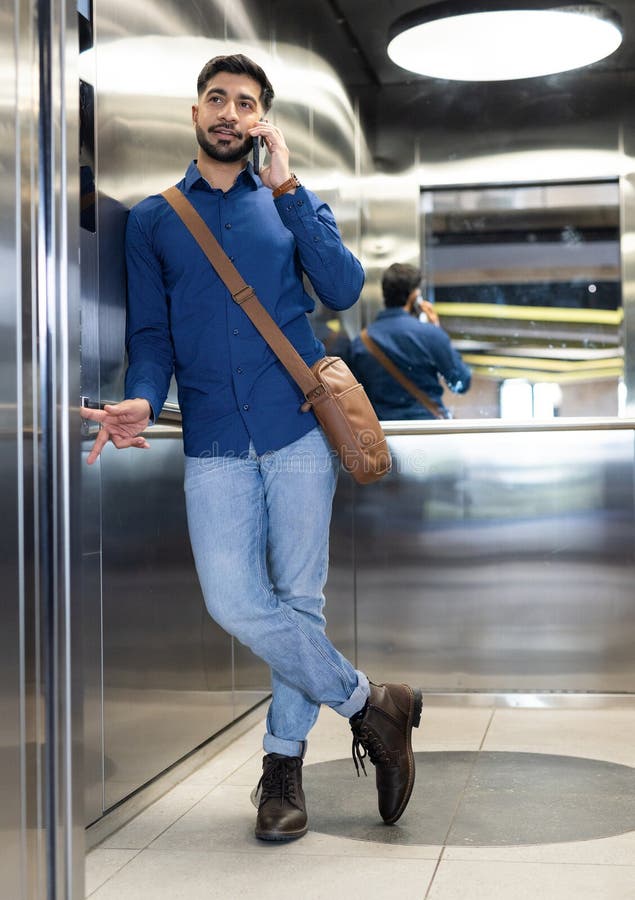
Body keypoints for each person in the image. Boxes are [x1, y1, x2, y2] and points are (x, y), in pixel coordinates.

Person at [80, 54, 421, 843]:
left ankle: (281, 770)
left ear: (261, 119)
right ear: (195, 112)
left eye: (245, 103)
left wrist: (290, 190)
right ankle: (373, 702)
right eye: (216, 99)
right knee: (234, 601)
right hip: (212, 436)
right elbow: (151, 334)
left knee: (298, 603)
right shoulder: (155, 220)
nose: (229, 112)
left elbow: (340, 289)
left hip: (298, 427)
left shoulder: (288, 202)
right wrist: (142, 393)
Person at [350, 263, 471, 419]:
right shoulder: (431, 335)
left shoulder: (361, 342)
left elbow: (356, 396)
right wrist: (436, 329)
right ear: (415, 297)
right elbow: (460, 383)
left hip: (382, 432)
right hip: (425, 430)